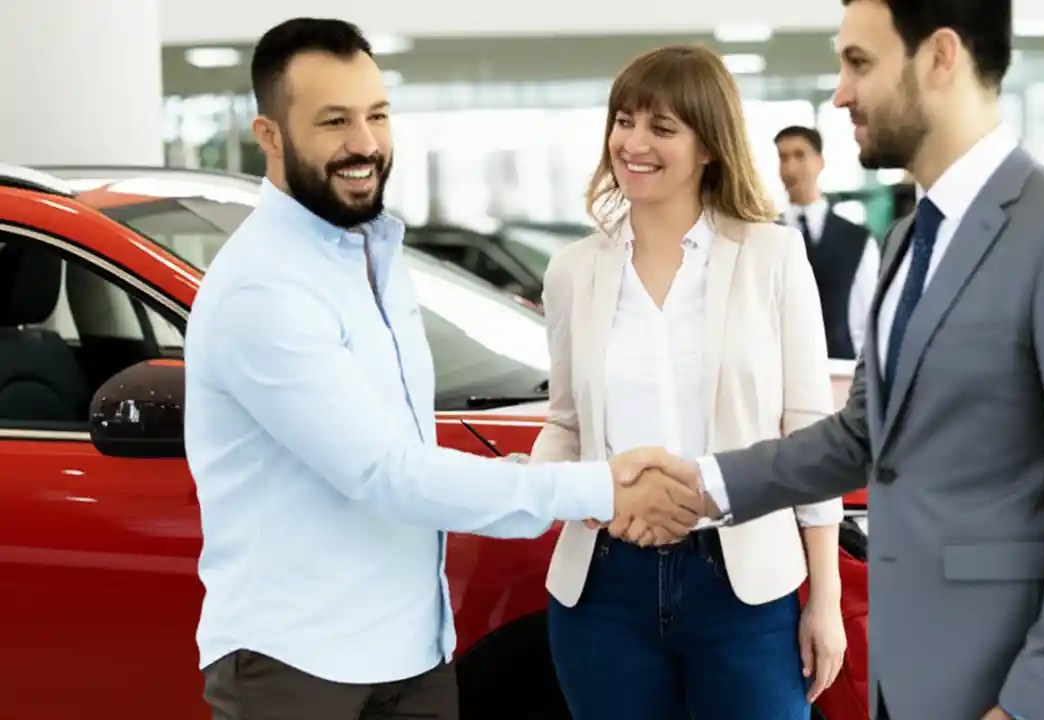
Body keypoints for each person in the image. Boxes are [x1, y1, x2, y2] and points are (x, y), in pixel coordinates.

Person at [617, 2, 1044, 719]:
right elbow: (863, 434)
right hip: (916, 679)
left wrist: (1031, 707)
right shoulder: (912, 237)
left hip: (1019, 690)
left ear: (941, 57)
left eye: (859, 63)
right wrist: (704, 484)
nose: (841, 93)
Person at [183, 18, 699, 720]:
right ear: (269, 136)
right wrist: (601, 489)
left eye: (376, 115)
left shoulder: (375, 254)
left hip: (412, 654)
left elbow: (408, 452)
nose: (363, 143)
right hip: (296, 665)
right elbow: (387, 473)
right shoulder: (260, 288)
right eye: (334, 121)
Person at [529, 45, 847, 720]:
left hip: (744, 588)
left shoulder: (772, 255)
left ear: (708, 145)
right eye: (624, 121)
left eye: (662, 127)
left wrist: (825, 599)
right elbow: (564, 424)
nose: (633, 143)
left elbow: (810, 432)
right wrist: (573, 492)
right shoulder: (571, 271)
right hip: (604, 592)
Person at [775, 125, 880, 360]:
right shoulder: (766, 235)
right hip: (781, 370)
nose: (790, 167)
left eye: (799, 155)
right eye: (783, 157)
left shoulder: (858, 239)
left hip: (842, 369)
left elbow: (867, 320)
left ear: (819, 162)